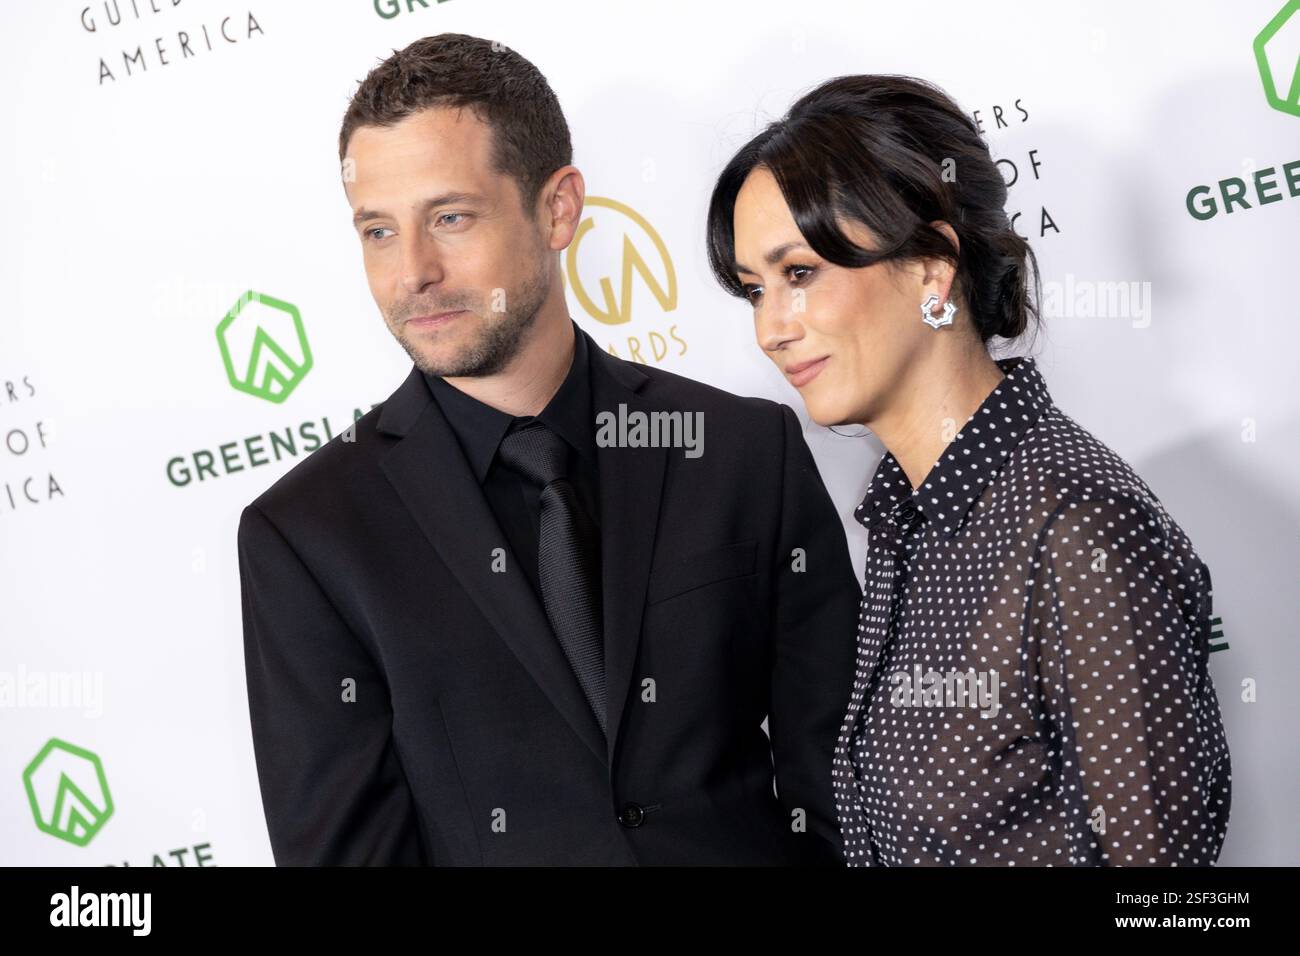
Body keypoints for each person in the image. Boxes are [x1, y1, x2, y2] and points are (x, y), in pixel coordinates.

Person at [237, 33, 860, 866]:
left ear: (558, 208)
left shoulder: (745, 448)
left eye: (449, 217)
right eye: (379, 232)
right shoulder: (309, 535)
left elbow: (847, 786)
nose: (412, 271)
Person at [705, 74, 1232, 865]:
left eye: (801, 274)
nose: (772, 330)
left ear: (931, 268)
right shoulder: (906, 520)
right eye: (754, 290)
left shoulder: (1076, 524)